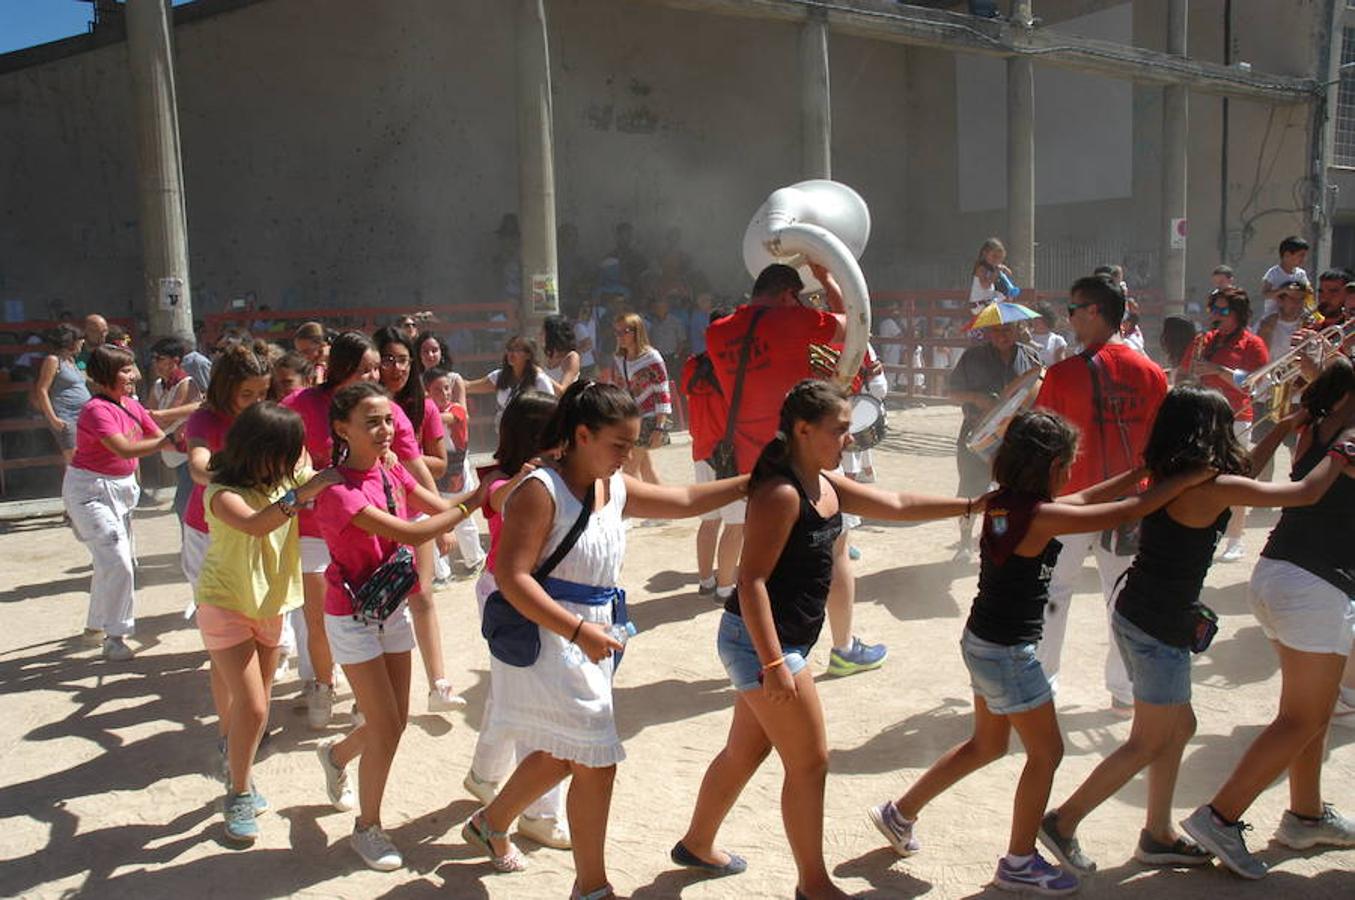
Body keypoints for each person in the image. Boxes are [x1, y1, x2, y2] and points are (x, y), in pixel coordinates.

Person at [868, 410, 1210, 897]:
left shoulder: (1005, 503)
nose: (1071, 475)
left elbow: (1087, 500)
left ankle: (898, 814)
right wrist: (1183, 479)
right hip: (1008, 653)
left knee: (985, 745)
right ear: (1052, 467)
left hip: (982, 642)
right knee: (1048, 753)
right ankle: (1019, 862)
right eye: (1068, 464)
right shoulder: (1042, 515)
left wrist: (1141, 471)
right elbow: (1120, 513)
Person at [675, 380, 986, 900]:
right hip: (763, 645)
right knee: (811, 763)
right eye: (840, 430)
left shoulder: (826, 483)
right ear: (803, 430)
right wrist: (774, 663)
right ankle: (813, 884)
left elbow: (897, 503)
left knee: (745, 751)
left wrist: (972, 505)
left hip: (772, 642)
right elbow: (750, 582)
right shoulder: (781, 494)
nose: (850, 439)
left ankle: (696, 844)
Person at [1038, 386, 1349, 875]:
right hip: (1159, 626)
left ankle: (1157, 834)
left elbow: (1245, 474)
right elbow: (1304, 494)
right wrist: (1339, 453)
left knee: (1179, 728)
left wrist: (1283, 429)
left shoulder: (1177, 476)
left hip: (1140, 613)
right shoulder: (1211, 486)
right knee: (1148, 741)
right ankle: (1064, 820)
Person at [461, 381, 747, 899]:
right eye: (619, 444)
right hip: (551, 638)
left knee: (566, 750)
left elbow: (684, 500)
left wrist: (750, 482)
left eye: (631, 445)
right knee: (596, 758)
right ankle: (591, 887)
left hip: (593, 637)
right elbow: (512, 576)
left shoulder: (613, 485)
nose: (626, 456)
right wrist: (576, 630)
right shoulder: (540, 490)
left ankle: (491, 822)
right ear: (581, 435)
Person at [1181, 359, 1355, 880]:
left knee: (1311, 713)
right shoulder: (1346, 439)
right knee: (1302, 718)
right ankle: (1220, 817)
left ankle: (1306, 816)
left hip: (1279, 576)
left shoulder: (1316, 428)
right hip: (1316, 587)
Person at [313, 381, 480, 872]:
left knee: (395, 721)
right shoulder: (336, 490)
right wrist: (479, 500)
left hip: (390, 605)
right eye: (372, 422)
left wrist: (496, 490)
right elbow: (413, 529)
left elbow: (436, 506)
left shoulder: (389, 468)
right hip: (352, 616)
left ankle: (337, 756)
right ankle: (367, 827)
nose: (386, 430)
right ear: (342, 429)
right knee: (386, 725)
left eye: (388, 420)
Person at [706, 262, 886, 677]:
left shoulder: (717, 331)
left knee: (765, 560)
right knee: (836, 548)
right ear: (789, 294)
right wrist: (830, 281)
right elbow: (855, 329)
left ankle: (763, 649)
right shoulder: (792, 319)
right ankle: (843, 648)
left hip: (754, 463)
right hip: (803, 457)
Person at [194, 402, 340, 843]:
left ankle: (236, 763)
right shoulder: (220, 492)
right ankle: (239, 793)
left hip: (271, 605)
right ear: (259, 449)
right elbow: (257, 524)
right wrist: (304, 491)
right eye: (285, 453)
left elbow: (319, 473)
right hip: (224, 604)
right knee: (255, 707)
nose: (291, 462)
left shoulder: (283, 479)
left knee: (252, 706)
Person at [283, 331, 437, 729]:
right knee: (319, 614)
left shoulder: (386, 409)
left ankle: (364, 698)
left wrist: (445, 511)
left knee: (373, 608)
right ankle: (323, 684)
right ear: (341, 370)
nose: (375, 375)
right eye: (365, 369)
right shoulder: (301, 403)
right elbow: (271, 437)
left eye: (376, 368)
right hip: (314, 524)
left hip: (365, 524)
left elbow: (412, 465)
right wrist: (301, 477)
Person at [1034, 275, 1168, 714]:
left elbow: (1042, 440)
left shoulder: (1062, 374)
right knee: (1124, 597)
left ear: (1094, 311)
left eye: (1073, 309)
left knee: (1053, 593)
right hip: (1130, 503)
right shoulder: (1152, 373)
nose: (1069, 317)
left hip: (1071, 502)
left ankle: (1042, 686)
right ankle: (1125, 692)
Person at [462, 389, 571, 851]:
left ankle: (484, 774)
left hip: (534, 595)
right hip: (508, 597)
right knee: (537, 704)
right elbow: (499, 499)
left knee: (510, 693)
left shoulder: (563, 475)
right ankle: (539, 812)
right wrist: (530, 478)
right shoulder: (504, 478)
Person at [184, 341, 274, 760]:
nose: (256, 402)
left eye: (263, 393)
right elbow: (198, 466)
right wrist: (242, 473)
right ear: (226, 389)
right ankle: (229, 729)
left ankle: (250, 720)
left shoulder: (264, 417)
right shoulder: (205, 417)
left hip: (256, 532)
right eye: (246, 394)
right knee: (224, 643)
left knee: (260, 633)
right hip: (209, 533)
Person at [373, 327, 465, 714]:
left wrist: (398, 454)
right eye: (388, 359)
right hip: (372, 514)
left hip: (412, 506)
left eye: (403, 360)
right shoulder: (360, 405)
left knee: (422, 595)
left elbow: (437, 464)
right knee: (378, 603)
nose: (396, 368)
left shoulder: (422, 408)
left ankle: (438, 684)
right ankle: (370, 694)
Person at [61, 344, 172, 660]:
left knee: (109, 559)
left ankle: (95, 626)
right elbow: (124, 448)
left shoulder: (131, 405)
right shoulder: (96, 410)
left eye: (131, 368)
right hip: (90, 491)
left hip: (121, 489)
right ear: (107, 374)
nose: (134, 375)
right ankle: (116, 635)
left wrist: (193, 438)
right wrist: (170, 441)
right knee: (118, 560)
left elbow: (158, 435)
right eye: (125, 370)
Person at [1178, 287, 1269, 561]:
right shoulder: (1204, 340)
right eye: (1213, 309)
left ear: (1238, 314)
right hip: (1204, 416)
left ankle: (1235, 538)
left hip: (1236, 416)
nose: (1216, 315)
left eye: (1223, 310)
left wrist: (1219, 371)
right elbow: (1183, 373)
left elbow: (1257, 384)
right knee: (1200, 475)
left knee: (1236, 477)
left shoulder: (1252, 343)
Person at [948, 321, 1040, 561]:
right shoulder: (972, 357)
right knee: (970, 489)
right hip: (977, 431)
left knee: (1012, 491)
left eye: (1008, 329)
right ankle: (965, 543)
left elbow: (1038, 390)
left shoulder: (1031, 357)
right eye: (997, 330)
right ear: (989, 333)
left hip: (1016, 435)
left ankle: (1001, 540)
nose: (1002, 335)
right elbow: (951, 392)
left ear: (1018, 330)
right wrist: (976, 398)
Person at [680, 308, 743, 598]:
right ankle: (726, 588)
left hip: (702, 450)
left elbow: (688, 394)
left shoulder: (693, 364)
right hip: (730, 454)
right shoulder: (735, 366)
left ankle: (706, 581)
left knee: (709, 520)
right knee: (735, 524)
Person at [423, 366, 486, 576]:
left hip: (456, 472)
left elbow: (443, 419)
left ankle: (474, 559)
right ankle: (442, 573)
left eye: (447, 388)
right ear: (428, 393)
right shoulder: (428, 411)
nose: (445, 394)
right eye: (437, 390)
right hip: (434, 471)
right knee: (433, 519)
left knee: (462, 517)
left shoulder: (456, 409)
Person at [146, 336, 204, 522]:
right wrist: (156, 417)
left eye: (160, 358)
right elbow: (149, 418)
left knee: (183, 504)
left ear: (175, 360)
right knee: (187, 505)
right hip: (174, 452)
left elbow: (164, 418)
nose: (155, 363)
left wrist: (158, 416)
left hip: (190, 451)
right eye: (154, 358)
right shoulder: (158, 385)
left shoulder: (186, 383)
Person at [612, 311, 671, 486]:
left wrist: (660, 427)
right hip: (629, 418)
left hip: (648, 418)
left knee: (629, 469)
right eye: (617, 332)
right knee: (646, 469)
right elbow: (616, 389)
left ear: (637, 331)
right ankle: (662, 502)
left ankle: (631, 503)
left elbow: (662, 392)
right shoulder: (619, 358)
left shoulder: (652, 357)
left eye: (625, 331)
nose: (620, 336)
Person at [30, 323, 90, 463]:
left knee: (87, 457)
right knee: (74, 460)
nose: (82, 344)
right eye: (79, 340)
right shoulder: (53, 360)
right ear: (70, 342)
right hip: (66, 416)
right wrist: (53, 419)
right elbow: (42, 389)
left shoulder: (72, 361)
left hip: (83, 416)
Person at [464, 335, 555, 424]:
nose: (511, 353)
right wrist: (455, 379)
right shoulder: (500, 376)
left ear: (528, 355)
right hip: (505, 430)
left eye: (517, 350)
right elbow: (469, 387)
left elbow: (552, 409)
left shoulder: (539, 380)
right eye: (509, 349)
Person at [1260, 236, 1310, 318]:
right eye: (1301, 255)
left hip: (1295, 317)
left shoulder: (1301, 274)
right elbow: (1265, 294)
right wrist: (1283, 290)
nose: (1304, 259)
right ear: (1287, 255)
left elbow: (1307, 293)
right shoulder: (1273, 273)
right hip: (1274, 316)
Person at [414, 330, 467, 408]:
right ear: (419, 355)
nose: (430, 355)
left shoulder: (454, 380)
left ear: (441, 353)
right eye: (425, 351)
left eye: (434, 350)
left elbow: (462, 413)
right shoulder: (415, 382)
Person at [542, 314, 582, 396]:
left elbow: (562, 390)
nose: (539, 334)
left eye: (543, 332)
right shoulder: (549, 355)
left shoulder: (571, 357)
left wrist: (540, 375)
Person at [1027, 302, 1068, 367]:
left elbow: (1061, 366)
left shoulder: (1057, 340)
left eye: (1039, 318)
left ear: (1047, 320)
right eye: (1034, 317)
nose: (1036, 321)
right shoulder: (1025, 337)